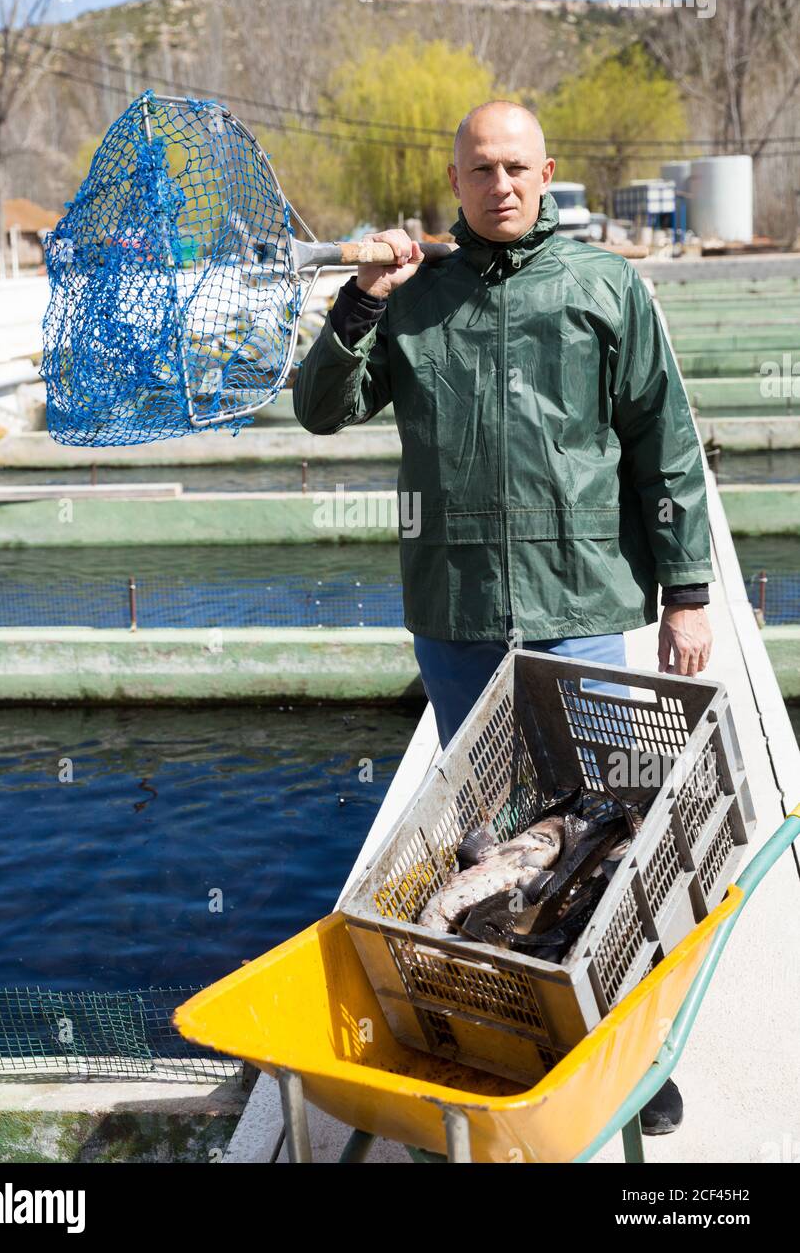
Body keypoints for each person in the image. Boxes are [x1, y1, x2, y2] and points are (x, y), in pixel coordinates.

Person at [293, 101, 715, 1136]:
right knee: (490, 845)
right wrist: (355, 301)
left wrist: (688, 588)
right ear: (454, 180)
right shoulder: (411, 294)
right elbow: (319, 408)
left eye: (517, 167)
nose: (500, 185)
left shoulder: (602, 286)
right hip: (454, 609)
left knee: (601, 831)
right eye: (480, 169)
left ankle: (626, 1050)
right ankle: (511, 1026)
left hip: (579, 601)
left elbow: (660, 439)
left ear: (547, 173)